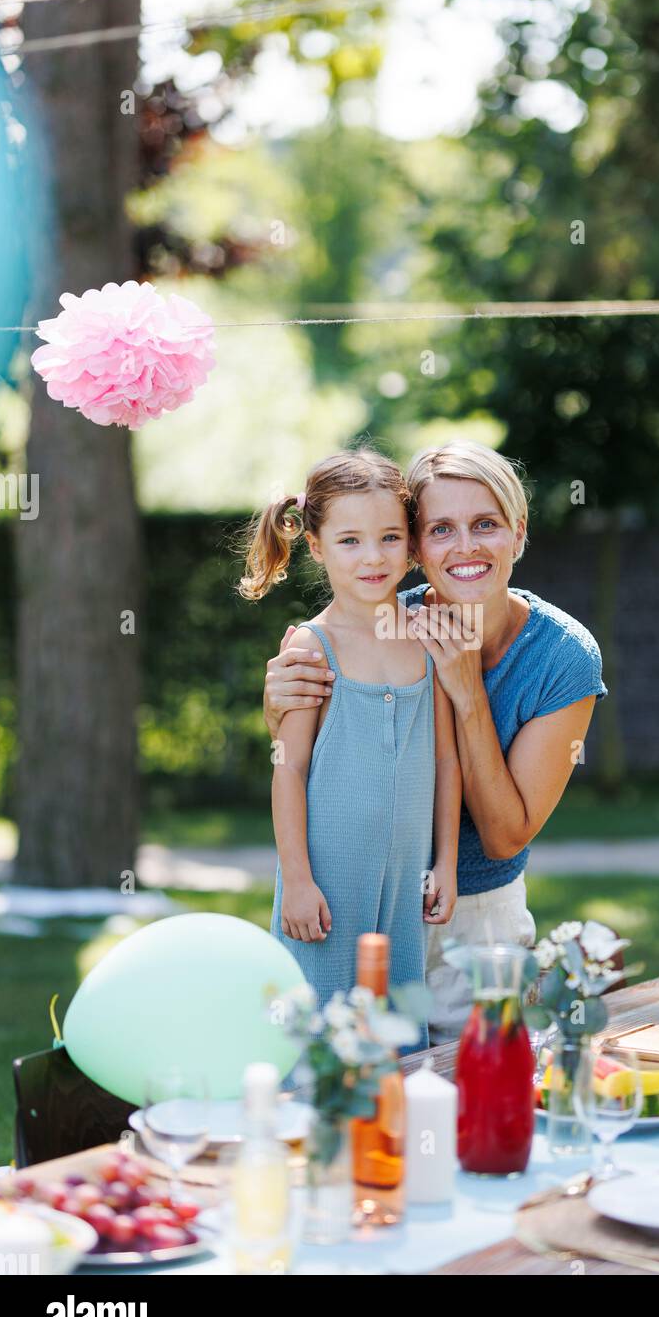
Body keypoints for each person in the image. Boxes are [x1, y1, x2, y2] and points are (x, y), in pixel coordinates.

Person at [263, 441, 606, 1043]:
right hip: (360, 900)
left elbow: (503, 836)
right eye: (442, 528)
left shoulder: (562, 658)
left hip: (470, 917)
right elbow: (312, 750)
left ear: (519, 532)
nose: (466, 547)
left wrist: (468, 688)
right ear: (419, 546)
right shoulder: (396, 621)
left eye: (486, 525)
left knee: (469, 1097)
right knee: (347, 1075)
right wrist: (279, 706)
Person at [242, 448, 461, 1050]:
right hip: (327, 884)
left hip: (405, 881)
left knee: (396, 1026)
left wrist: (444, 861)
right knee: (322, 1028)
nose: (374, 557)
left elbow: (446, 758)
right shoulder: (312, 646)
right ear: (315, 546)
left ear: (411, 542)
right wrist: (297, 879)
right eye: (350, 541)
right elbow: (289, 769)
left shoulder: (426, 636)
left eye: (391, 537)